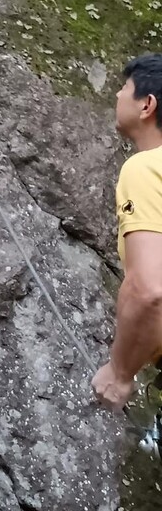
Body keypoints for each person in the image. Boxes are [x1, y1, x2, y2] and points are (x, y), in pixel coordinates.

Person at [93, 54, 162, 410]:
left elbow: (150, 290)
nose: (118, 95)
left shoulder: (146, 168)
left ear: (148, 105)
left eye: (125, 88)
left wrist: (120, 372)